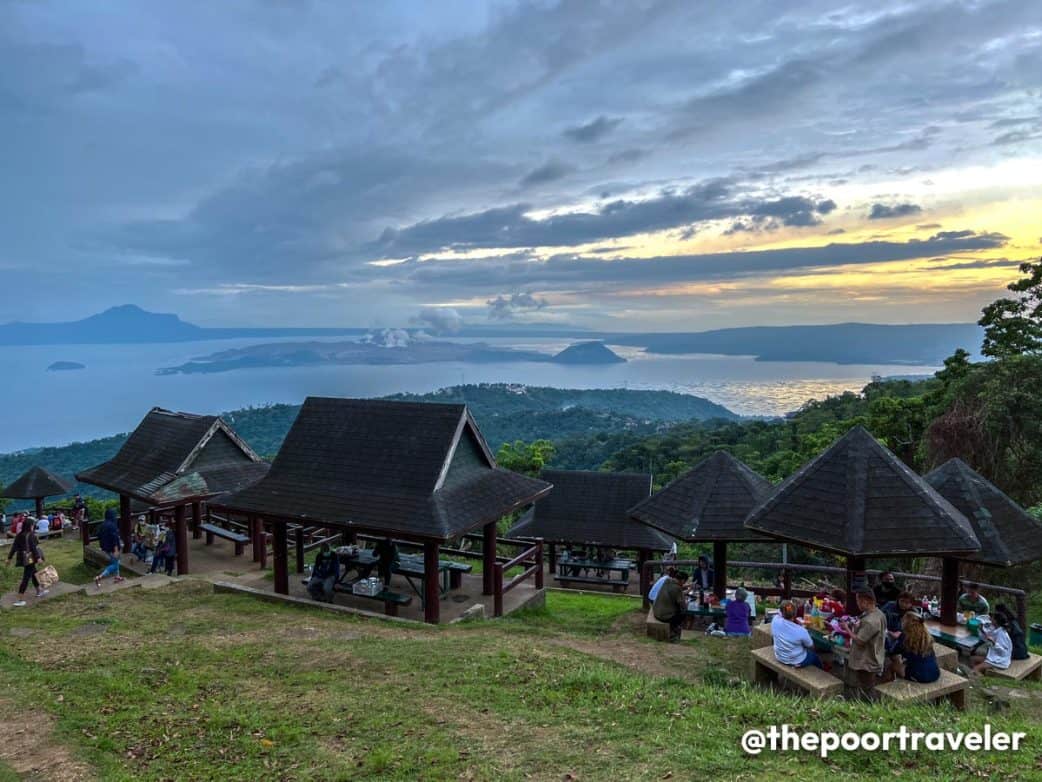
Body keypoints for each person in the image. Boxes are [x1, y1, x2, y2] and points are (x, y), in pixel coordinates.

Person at [845, 589, 887, 699]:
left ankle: (867, 704)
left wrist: (846, 628)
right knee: (868, 683)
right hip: (876, 653)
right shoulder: (879, 613)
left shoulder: (870, 621)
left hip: (867, 660)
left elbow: (859, 641)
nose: (857, 604)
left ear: (865, 601)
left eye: (858, 601)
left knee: (866, 685)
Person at [887, 608, 940, 684]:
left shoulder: (905, 637)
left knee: (892, 666)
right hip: (935, 674)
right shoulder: (926, 636)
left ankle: (892, 688)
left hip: (919, 676)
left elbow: (892, 652)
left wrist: (891, 638)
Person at [5, 522, 48, 606]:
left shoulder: (19, 535)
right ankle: (19, 600)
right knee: (26, 578)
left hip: (23, 559)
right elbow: (33, 547)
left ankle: (39, 591)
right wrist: (38, 557)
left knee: (34, 573)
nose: (33, 527)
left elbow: (14, 548)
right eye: (32, 525)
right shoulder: (31, 535)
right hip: (30, 559)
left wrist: (9, 558)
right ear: (30, 526)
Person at [771, 600, 821, 668]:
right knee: (815, 656)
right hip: (796, 660)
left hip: (779, 656)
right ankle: (820, 672)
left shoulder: (775, 620)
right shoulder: (802, 631)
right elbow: (811, 646)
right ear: (795, 614)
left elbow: (780, 613)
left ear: (782, 612)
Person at [652, 570, 689, 642]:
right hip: (664, 616)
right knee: (683, 613)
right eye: (685, 582)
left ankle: (674, 629)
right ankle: (674, 630)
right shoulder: (677, 588)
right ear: (683, 580)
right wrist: (686, 602)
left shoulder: (667, 581)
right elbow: (683, 605)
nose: (684, 584)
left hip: (656, 611)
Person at [94, 508, 125, 587]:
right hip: (112, 548)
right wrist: (116, 550)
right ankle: (100, 577)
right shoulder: (112, 525)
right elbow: (114, 538)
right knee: (114, 564)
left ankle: (117, 577)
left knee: (116, 561)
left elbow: (98, 535)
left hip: (105, 548)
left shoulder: (103, 524)